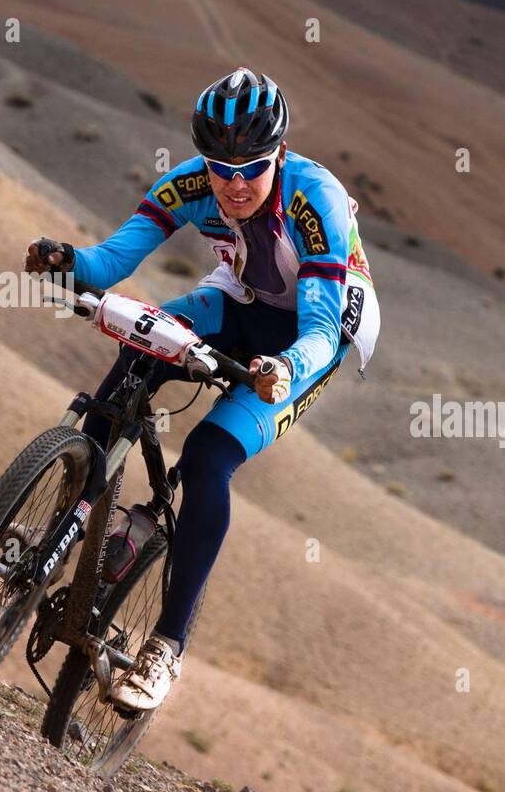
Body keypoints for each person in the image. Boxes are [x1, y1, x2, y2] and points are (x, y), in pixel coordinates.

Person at [24, 67, 380, 710]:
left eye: (253, 166)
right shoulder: (190, 183)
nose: (235, 182)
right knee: (137, 356)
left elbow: (325, 326)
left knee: (211, 457)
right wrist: (67, 260)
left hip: (313, 331)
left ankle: (165, 648)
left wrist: (286, 370)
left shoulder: (313, 197)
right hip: (237, 299)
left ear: (280, 154)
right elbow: (111, 262)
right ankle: (70, 522)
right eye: (221, 165)